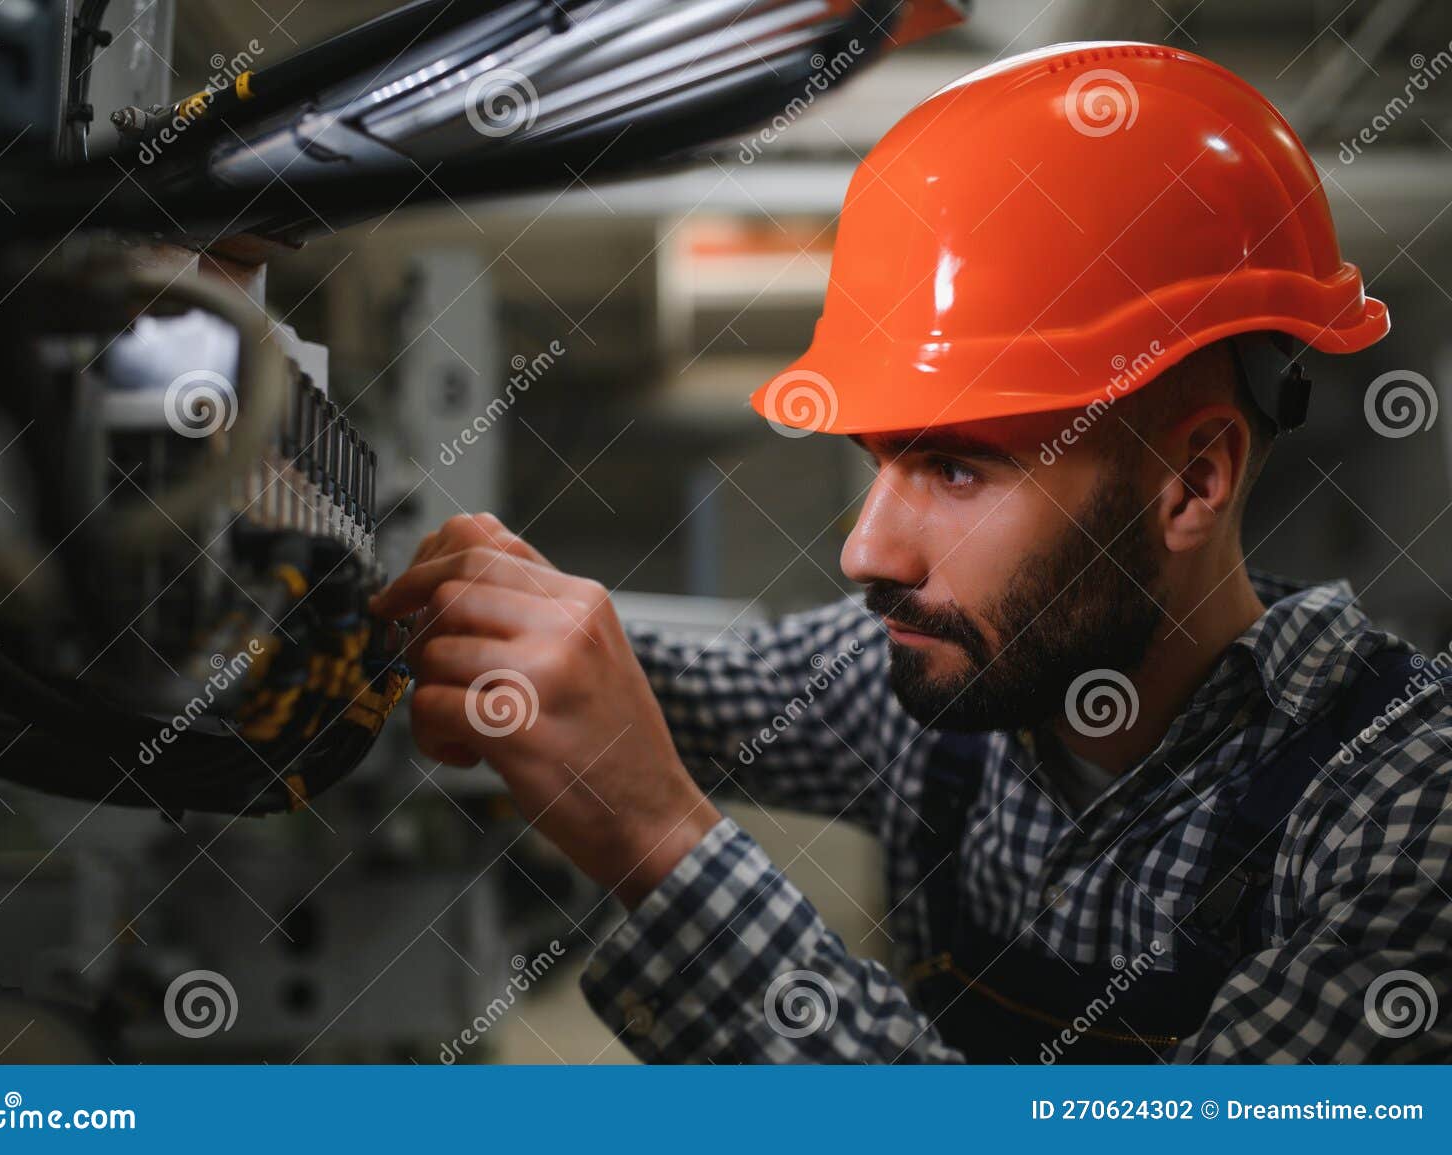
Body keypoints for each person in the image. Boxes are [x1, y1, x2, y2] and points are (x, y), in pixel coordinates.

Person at [370, 43, 1451, 1063]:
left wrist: (660, 841)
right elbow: (679, 679)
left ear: (1192, 481)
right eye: (880, 460)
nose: (865, 551)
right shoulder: (951, 679)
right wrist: (479, 619)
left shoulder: (1403, 806)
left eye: (956, 470)